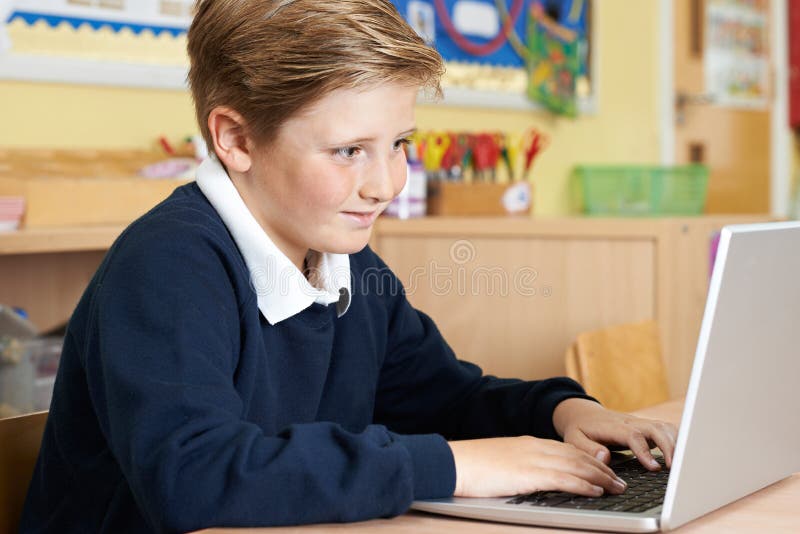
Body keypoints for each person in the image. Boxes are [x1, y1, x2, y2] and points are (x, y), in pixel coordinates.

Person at [21, 1, 677, 532]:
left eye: (399, 144)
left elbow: (445, 399)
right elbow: (194, 478)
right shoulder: (167, 267)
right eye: (348, 151)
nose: (386, 183)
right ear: (236, 138)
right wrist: (447, 468)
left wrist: (559, 411)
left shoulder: (342, 262)